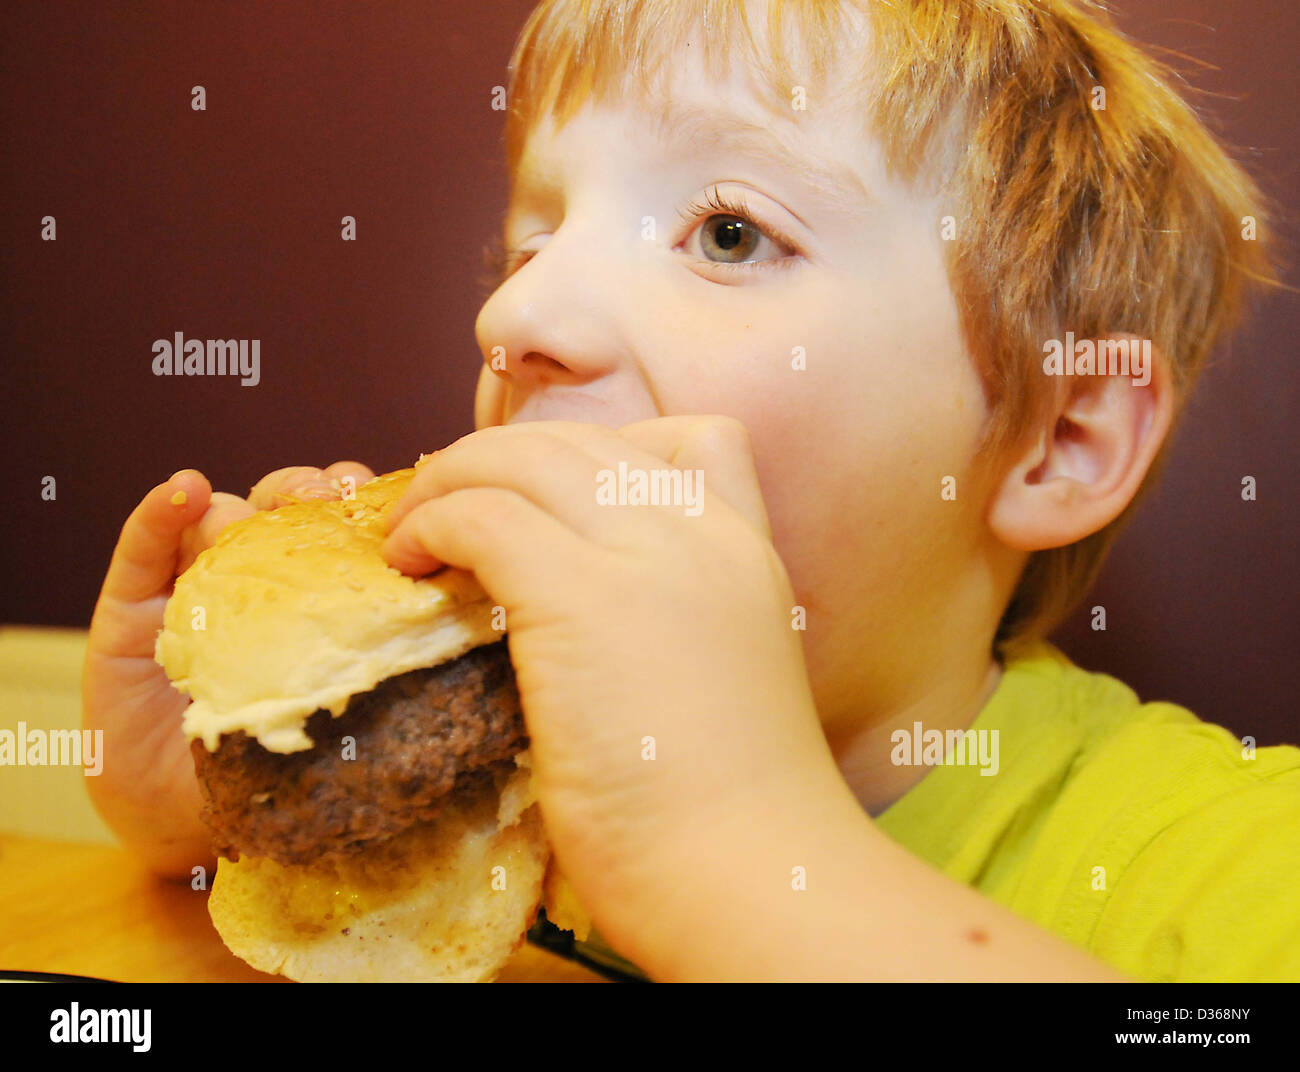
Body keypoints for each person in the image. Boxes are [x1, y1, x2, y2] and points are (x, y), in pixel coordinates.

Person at [83, 0, 1297, 981]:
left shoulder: (1228, 861)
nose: (514, 316)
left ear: (1057, 436)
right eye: (532, 240)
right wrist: (257, 803)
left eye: (726, 233)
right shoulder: (485, 814)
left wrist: (725, 844)